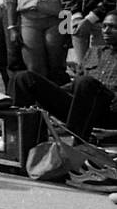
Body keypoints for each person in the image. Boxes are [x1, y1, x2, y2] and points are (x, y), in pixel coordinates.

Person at [11, 11, 117, 142]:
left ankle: (78, 141)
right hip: (81, 109)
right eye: (104, 26)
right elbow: (75, 85)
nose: (106, 31)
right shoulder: (94, 52)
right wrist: (51, 92)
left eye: (113, 27)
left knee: (86, 83)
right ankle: (20, 138)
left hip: (109, 112)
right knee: (25, 78)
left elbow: (84, 84)